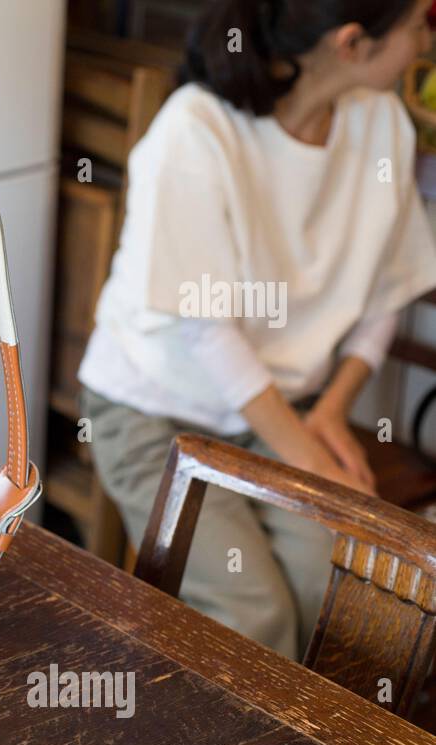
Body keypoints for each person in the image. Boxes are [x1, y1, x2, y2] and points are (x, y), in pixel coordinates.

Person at [78, 0, 436, 658]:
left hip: (278, 413)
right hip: (151, 409)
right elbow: (205, 330)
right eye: (424, 20)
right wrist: (309, 459)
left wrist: (330, 414)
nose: (425, 40)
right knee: (253, 611)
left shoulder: (382, 123)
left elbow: (392, 284)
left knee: (328, 587)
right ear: (352, 43)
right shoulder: (196, 131)